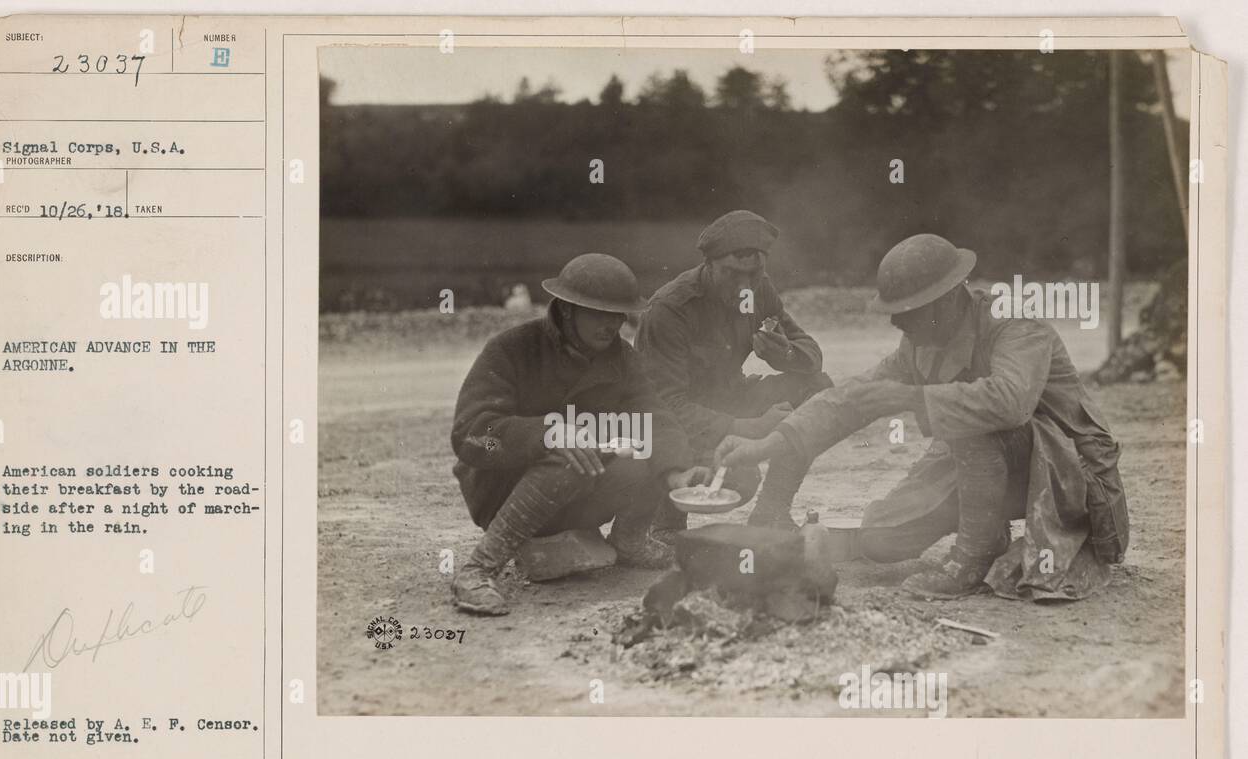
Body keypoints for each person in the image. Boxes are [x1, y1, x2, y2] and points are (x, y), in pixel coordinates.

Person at [715, 233, 1130, 600]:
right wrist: (772, 442)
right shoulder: (922, 339)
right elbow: (853, 397)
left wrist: (910, 397)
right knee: (881, 538)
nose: (897, 322)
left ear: (949, 298)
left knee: (972, 426)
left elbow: (1010, 402)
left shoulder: (1015, 325)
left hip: (1071, 478)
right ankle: (989, 528)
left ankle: (969, 563)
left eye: (908, 310)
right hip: (990, 469)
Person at [450, 253, 712, 615]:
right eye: (599, 313)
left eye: (618, 314)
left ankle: (629, 541)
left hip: (573, 499)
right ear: (568, 309)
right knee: (570, 454)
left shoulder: (623, 359)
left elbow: (655, 417)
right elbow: (471, 435)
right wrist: (546, 435)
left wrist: (676, 473)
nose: (612, 325)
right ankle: (478, 568)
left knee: (643, 447)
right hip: (500, 492)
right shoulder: (512, 349)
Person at [634, 209, 834, 539]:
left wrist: (784, 353)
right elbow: (664, 404)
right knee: (739, 479)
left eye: (754, 273)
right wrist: (746, 428)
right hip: (671, 423)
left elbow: (812, 355)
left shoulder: (760, 289)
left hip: (728, 400)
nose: (745, 285)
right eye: (732, 273)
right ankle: (666, 525)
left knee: (817, 389)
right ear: (708, 266)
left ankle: (772, 511)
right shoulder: (671, 309)